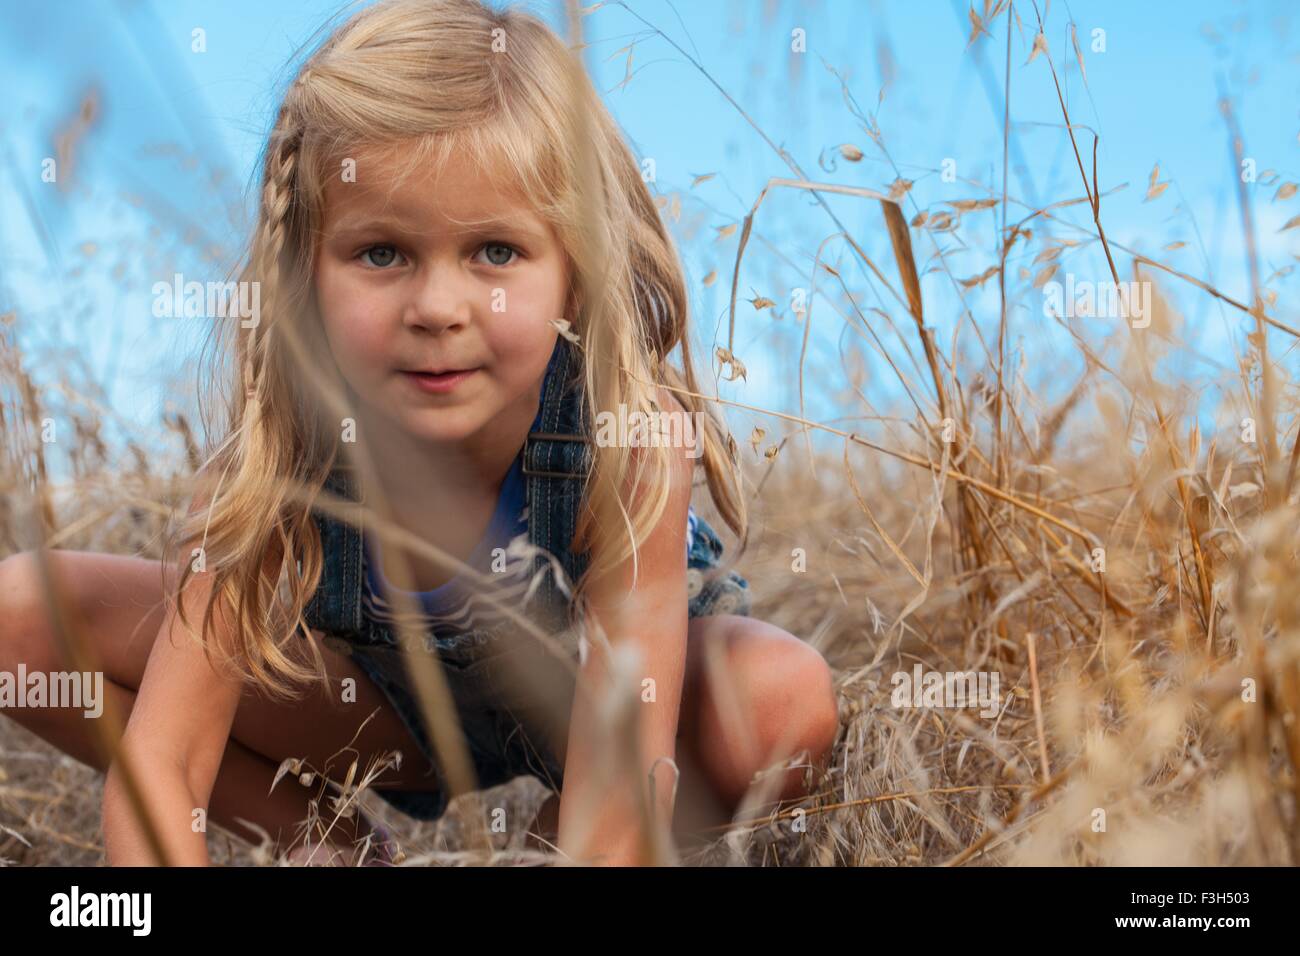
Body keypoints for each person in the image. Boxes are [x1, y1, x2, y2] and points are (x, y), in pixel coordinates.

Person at [0, 0, 838, 867]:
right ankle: (335, 855)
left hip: (586, 715)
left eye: (496, 253)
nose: (437, 309)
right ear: (305, 275)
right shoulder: (282, 450)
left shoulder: (627, 446)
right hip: (380, 708)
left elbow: (627, 761)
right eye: (382, 254)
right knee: (20, 613)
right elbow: (166, 762)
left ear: (576, 276)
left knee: (782, 697)